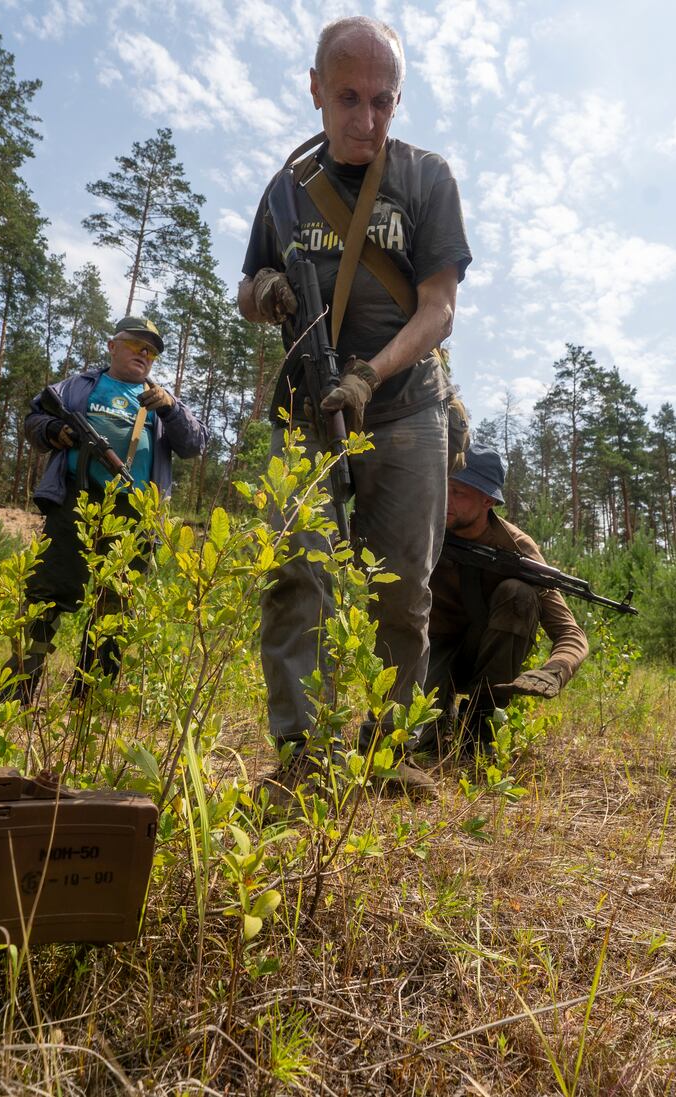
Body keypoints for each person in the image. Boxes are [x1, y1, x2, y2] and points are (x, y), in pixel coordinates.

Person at [237, 16, 472, 799]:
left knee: (402, 589)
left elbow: (439, 310)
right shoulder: (284, 190)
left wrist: (370, 373)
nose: (367, 119)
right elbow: (246, 288)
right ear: (315, 91)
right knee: (300, 576)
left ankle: (382, 752)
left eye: (384, 101)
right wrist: (266, 292)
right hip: (306, 412)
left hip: (405, 409)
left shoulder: (427, 179)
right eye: (348, 98)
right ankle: (301, 755)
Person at [0, 316, 207, 704]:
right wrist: (52, 431)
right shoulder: (77, 387)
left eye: (152, 350)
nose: (144, 354)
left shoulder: (162, 398)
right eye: (136, 345)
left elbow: (196, 444)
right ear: (113, 346)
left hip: (135, 516)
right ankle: (16, 692)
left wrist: (170, 409)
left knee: (116, 607)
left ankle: (90, 699)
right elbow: (33, 419)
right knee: (45, 597)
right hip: (74, 505)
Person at [415, 444, 589, 756]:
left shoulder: (517, 549)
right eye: (444, 487)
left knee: (519, 595)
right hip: (429, 649)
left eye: (459, 493)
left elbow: (571, 634)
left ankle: (480, 726)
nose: (446, 500)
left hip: (485, 654)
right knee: (423, 746)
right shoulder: (420, 528)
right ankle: (443, 718)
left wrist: (555, 671)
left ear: (488, 500)